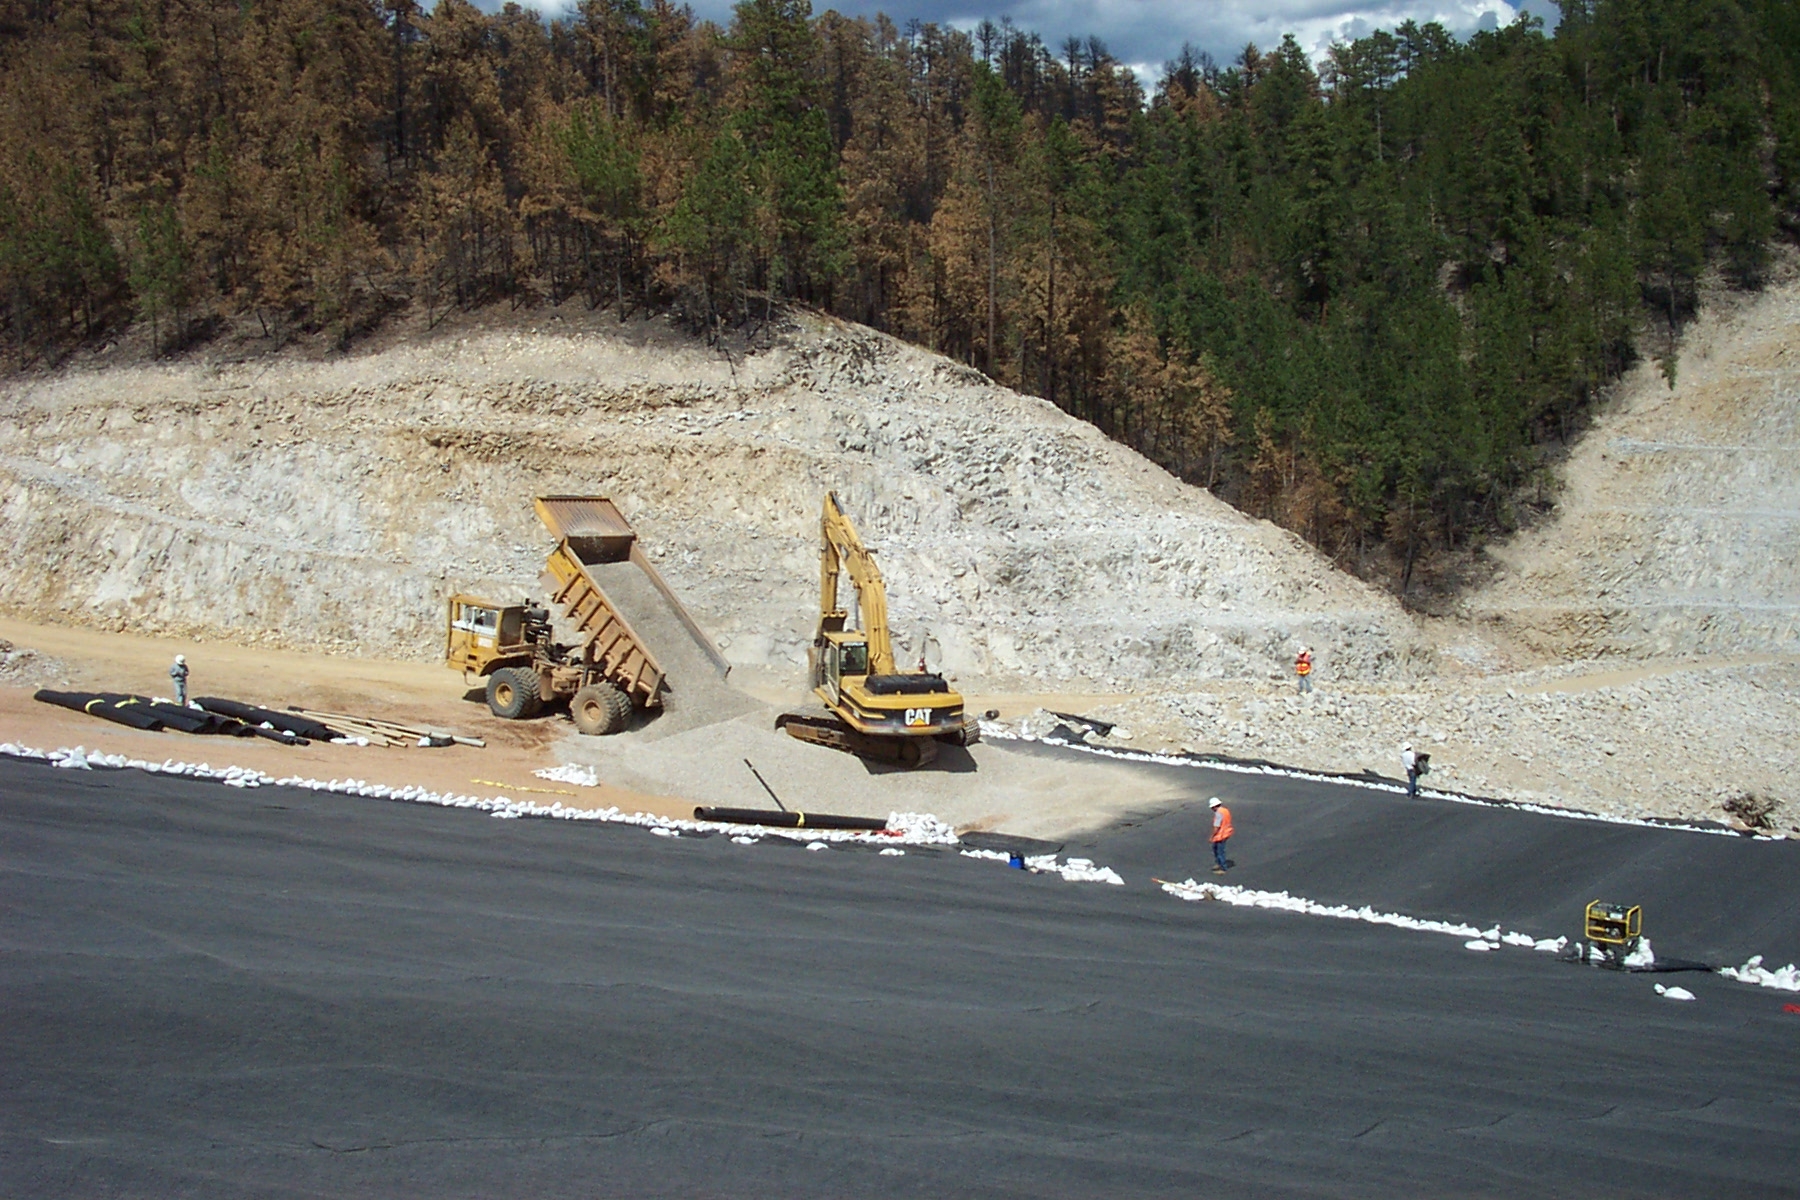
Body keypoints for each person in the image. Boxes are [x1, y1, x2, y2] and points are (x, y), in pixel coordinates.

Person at [1208, 796, 1234, 874]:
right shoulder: (1225, 810)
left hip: (1221, 835)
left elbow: (1216, 827)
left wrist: (1212, 836)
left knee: (1219, 851)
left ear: (1214, 806)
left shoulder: (1218, 814)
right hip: (1226, 832)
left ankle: (1223, 868)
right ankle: (1219, 863)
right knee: (1216, 848)